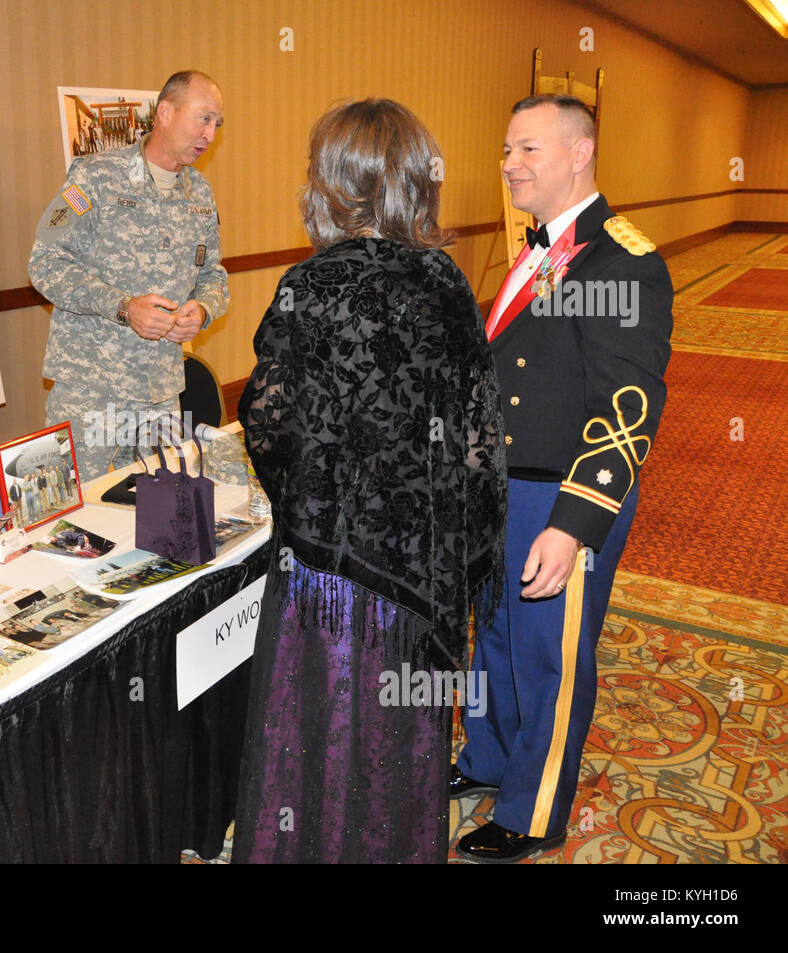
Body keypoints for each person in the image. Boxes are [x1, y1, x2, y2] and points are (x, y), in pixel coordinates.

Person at [233, 99, 507, 864]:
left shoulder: (308, 285)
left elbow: (269, 423)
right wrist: (463, 552)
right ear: (416, 182)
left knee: (312, 725)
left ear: (331, 183)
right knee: (396, 736)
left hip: (326, 571)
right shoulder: (447, 282)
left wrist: (313, 492)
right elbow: (480, 439)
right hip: (416, 576)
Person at [452, 95, 673, 863]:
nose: (510, 163)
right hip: (505, 487)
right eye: (507, 149)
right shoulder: (543, 248)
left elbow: (628, 404)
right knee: (500, 637)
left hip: (560, 492)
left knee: (551, 654)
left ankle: (534, 808)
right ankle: (487, 759)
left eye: (529, 150)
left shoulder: (623, 258)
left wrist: (574, 521)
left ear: (580, 153)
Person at [29, 70, 229, 481]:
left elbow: (214, 274)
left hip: (159, 393)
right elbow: (45, 263)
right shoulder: (94, 176)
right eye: (203, 118)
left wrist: (204, 310)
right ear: (166, 113)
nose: (210, 134)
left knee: (157, 514)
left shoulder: (201, 194)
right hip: (90, 390)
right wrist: (122, 307)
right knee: (71, 513)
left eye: (217, 123)